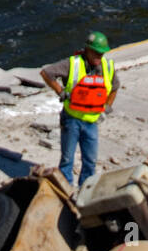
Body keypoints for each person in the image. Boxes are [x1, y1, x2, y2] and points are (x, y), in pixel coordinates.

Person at [40, 30, 118, 188]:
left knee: (90, 161)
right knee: (67, 159)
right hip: (72, 120)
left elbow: (115, 87)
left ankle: (85, 190)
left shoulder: (107, 67)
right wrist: (60, 91)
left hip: (92, 122)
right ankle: (66, 189)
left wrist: (106, 109)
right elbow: (46, 73)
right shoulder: (72, 64)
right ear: (87, 50)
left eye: (101, 54)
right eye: (96, 53)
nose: (99, 57)